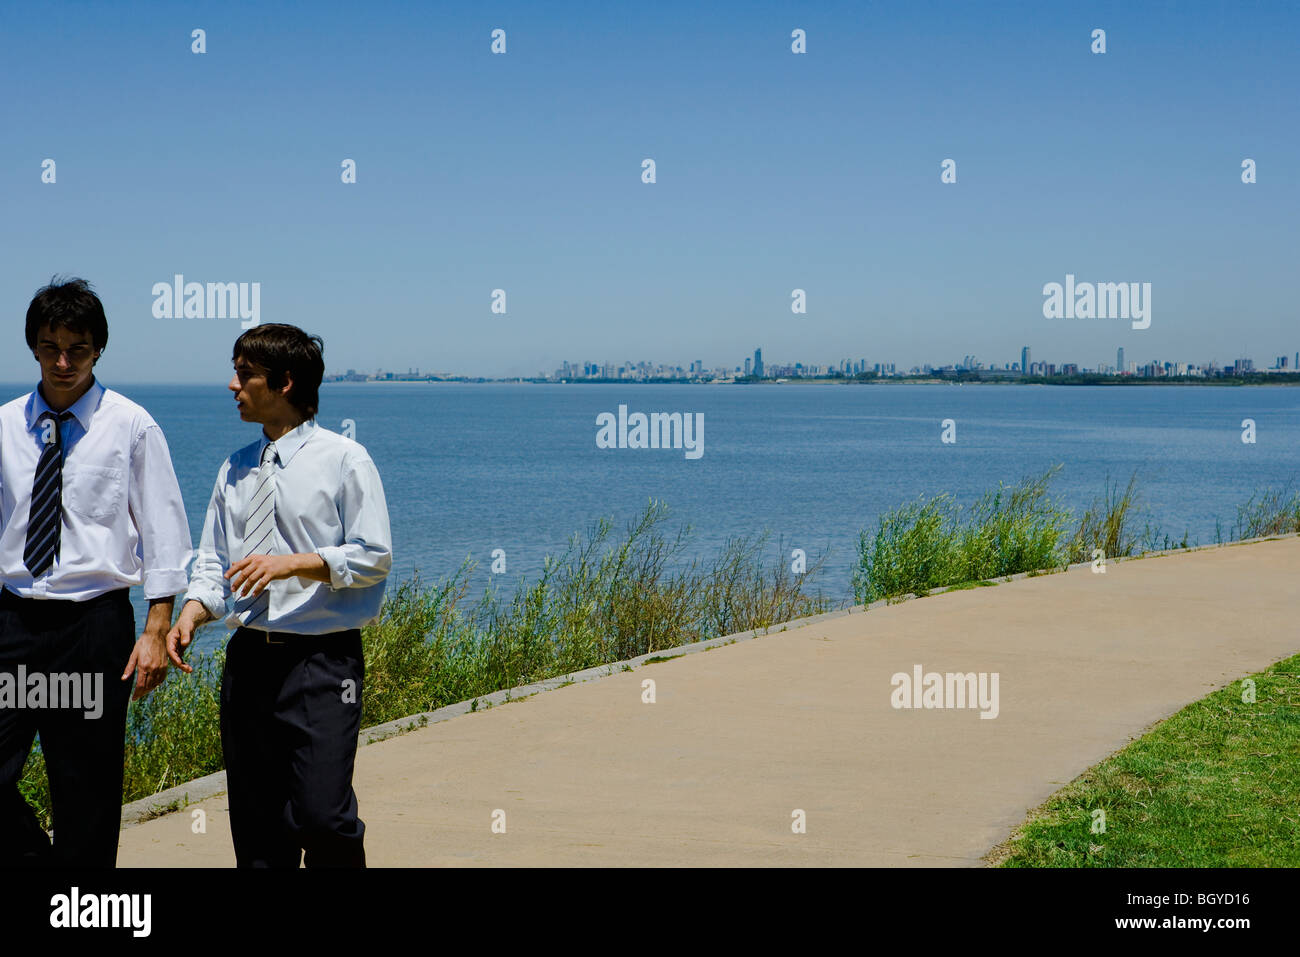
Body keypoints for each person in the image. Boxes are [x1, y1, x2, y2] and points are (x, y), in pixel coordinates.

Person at [167, 323, 391, 867]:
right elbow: (215, 562)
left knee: (324, 816)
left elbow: (373, 556)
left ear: (285, 382)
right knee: (257, 823)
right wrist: (192, 613)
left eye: (245, 374)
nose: (232, 385)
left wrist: (291, 563)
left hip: (321, 662)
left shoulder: (345, 460)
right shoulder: (236, 467)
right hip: (248, 663)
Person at [0, 277, 192, 867]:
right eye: (50, 346)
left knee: (86, 791)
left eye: (77, 349)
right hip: (11, 622)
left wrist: (156, 629)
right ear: (33, 345)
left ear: (98, 349)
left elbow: (164, 533)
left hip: (92, 627)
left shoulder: (131, 425)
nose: (63, 362)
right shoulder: (4, 426)